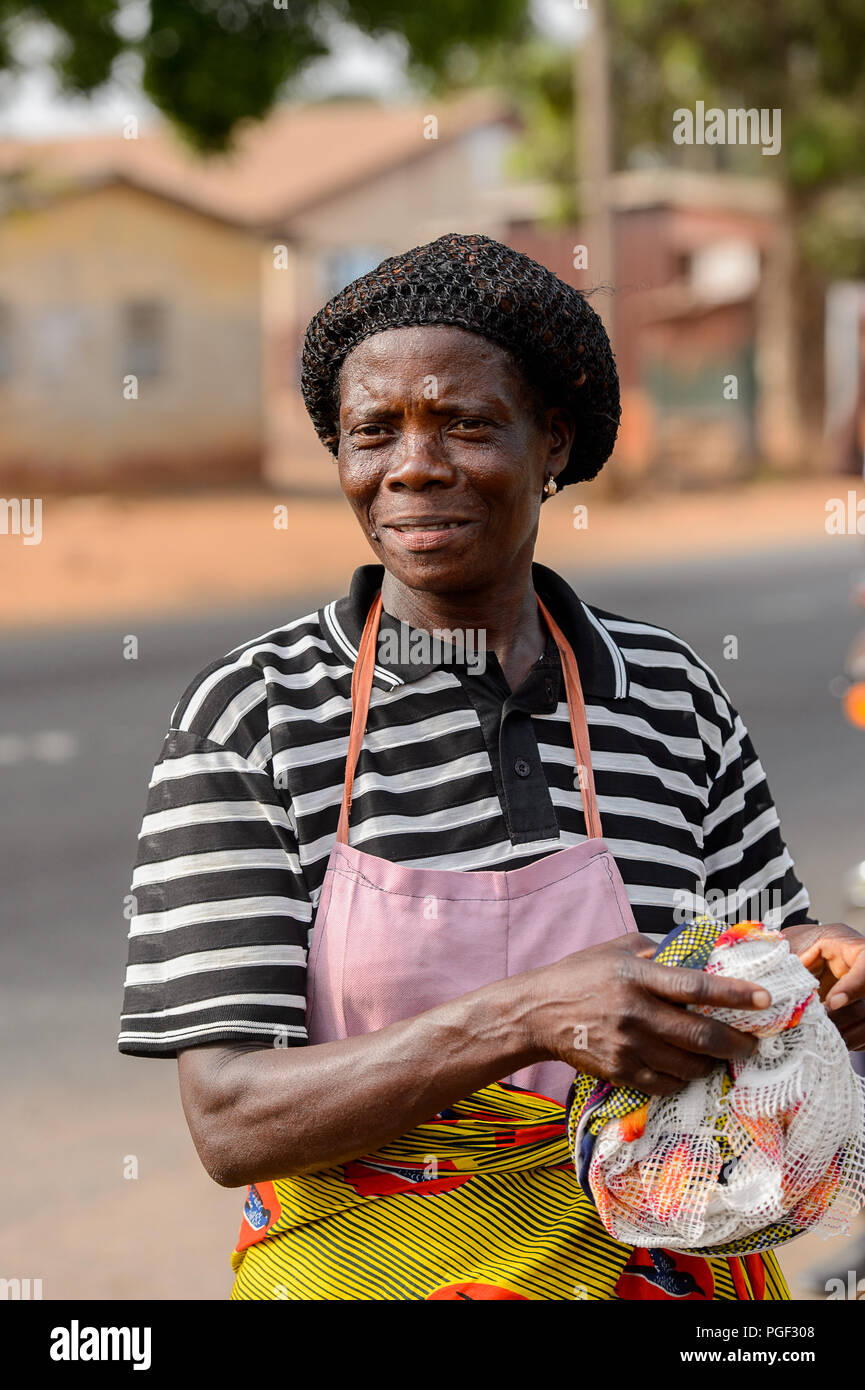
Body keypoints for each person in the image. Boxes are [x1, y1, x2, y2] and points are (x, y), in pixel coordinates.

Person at [118, 233, 865, 1301]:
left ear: (552, 442)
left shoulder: (668, 692)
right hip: (366, 1276)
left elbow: (755, 955)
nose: (413, 466)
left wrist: (817, 963)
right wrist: (522, 1015)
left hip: (658, 1267)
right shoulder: (256, 712)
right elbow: (233, 1118)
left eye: (464, 423)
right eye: (373, 430)